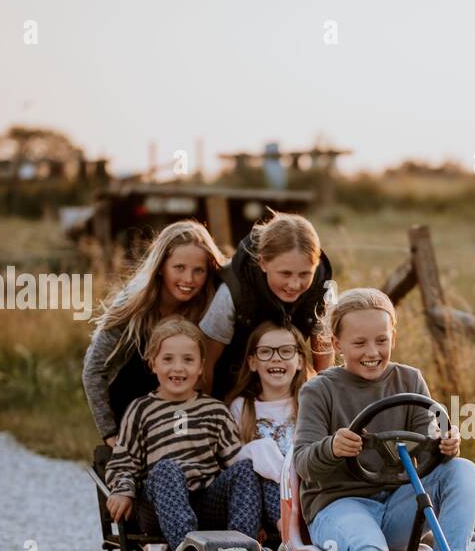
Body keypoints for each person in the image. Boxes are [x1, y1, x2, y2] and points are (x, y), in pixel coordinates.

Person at [290, 288, 475, 551]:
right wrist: (332, 447)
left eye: (381, 340)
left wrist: (446, 445)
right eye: (359, 343)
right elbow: (303, 463)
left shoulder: (409, 380)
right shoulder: (319, 391)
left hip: (395, 507)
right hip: (338, 508)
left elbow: (428, 442)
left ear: (393, 336)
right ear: (337, 342)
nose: (372, 352)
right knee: (369, 547)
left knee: (464, 470)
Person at [104, 317, 260, 551]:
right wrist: (123, 489)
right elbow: (125, 463)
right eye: (168, 359)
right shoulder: (141, 410)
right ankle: (187, 548)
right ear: (153, 363)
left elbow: (234, 461)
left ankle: (240, 549)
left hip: (205, 504)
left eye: (188, 360)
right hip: (158, 507)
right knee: (167, 469)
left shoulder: (214, 410)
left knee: (245, 469)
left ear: (200, 366)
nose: (178, 368)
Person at [82, 220, 226, 445]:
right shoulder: (133, 303)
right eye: (179, 268)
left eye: (199, 271)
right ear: (161, 267)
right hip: (132, 412)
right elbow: (93, 369)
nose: (189, 279)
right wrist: (110, 434)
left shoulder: (211, 304)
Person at [200, 211, 335, 398]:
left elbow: (324, 364)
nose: (295, 284)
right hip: (231, 389)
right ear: (263, 262)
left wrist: (324, 408)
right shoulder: (233, 291)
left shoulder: (322, 291)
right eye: (285, 274)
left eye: (305, 274)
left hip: (287, 389)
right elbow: (206, 365)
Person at [224, 321, 314, 533]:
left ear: (300, 360)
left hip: (300, 495)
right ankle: (286, 537)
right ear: (252, 362)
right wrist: (259, 451)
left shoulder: (309, 405)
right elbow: (233, 461)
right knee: (262, 472)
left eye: (286, 351)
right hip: (254, 500)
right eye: (266, 351)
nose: (276, 357)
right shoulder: (241, 407)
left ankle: (295, 537)